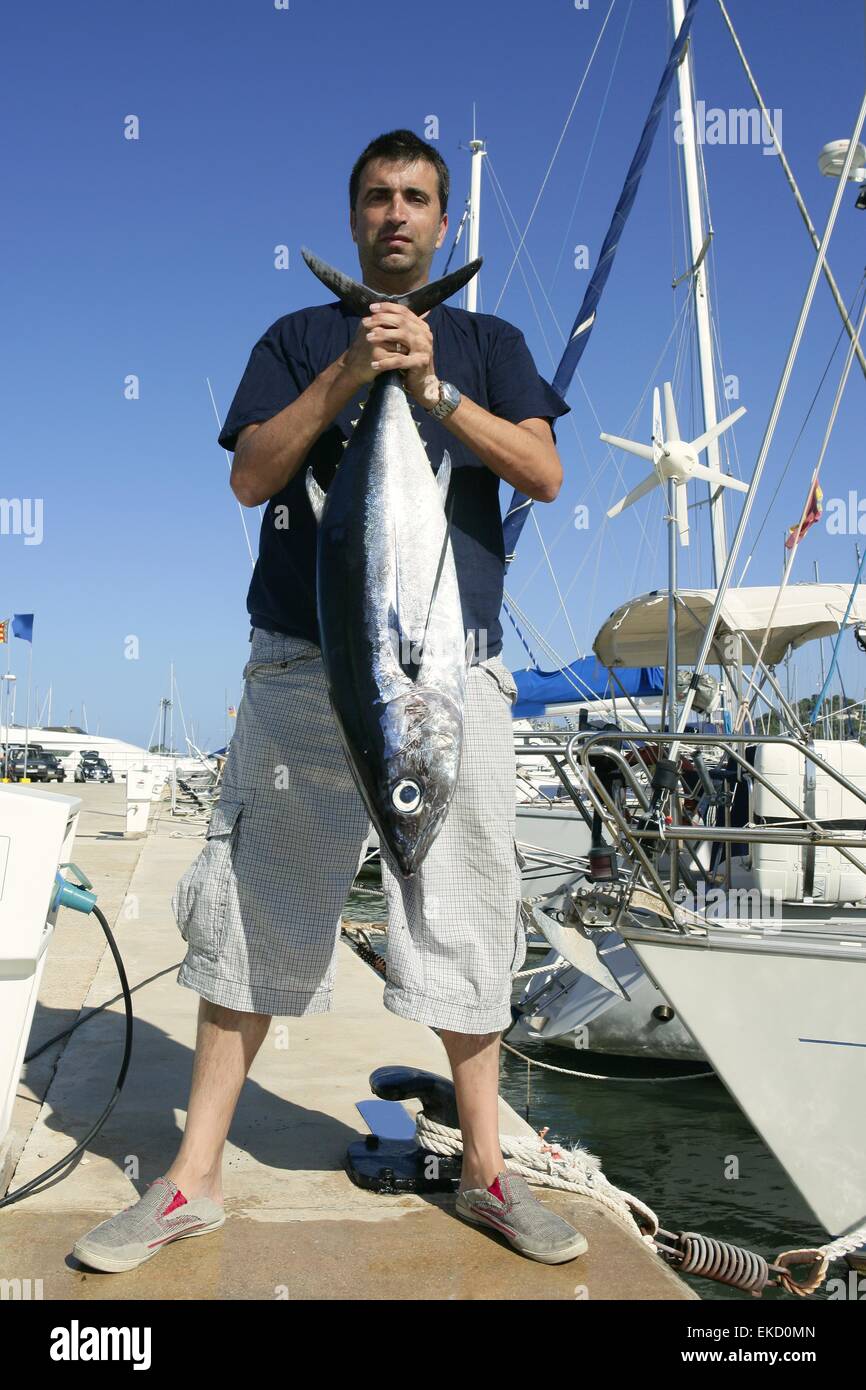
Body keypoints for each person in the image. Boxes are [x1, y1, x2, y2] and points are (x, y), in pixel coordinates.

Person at [73, 129, 588, 1273]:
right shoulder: (300, 335)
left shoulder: (489, 342)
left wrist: (428, 383)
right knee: (256, 911)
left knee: (463, 910)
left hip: (446, 668)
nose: (394, 214)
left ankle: (488, 1174)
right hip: (301, 666)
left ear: (443, 224)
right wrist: (352, 372)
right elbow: (253, 473)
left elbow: (543, 474)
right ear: (352, 215)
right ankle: (192, 1177)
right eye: (375, 197)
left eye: (414, 199)